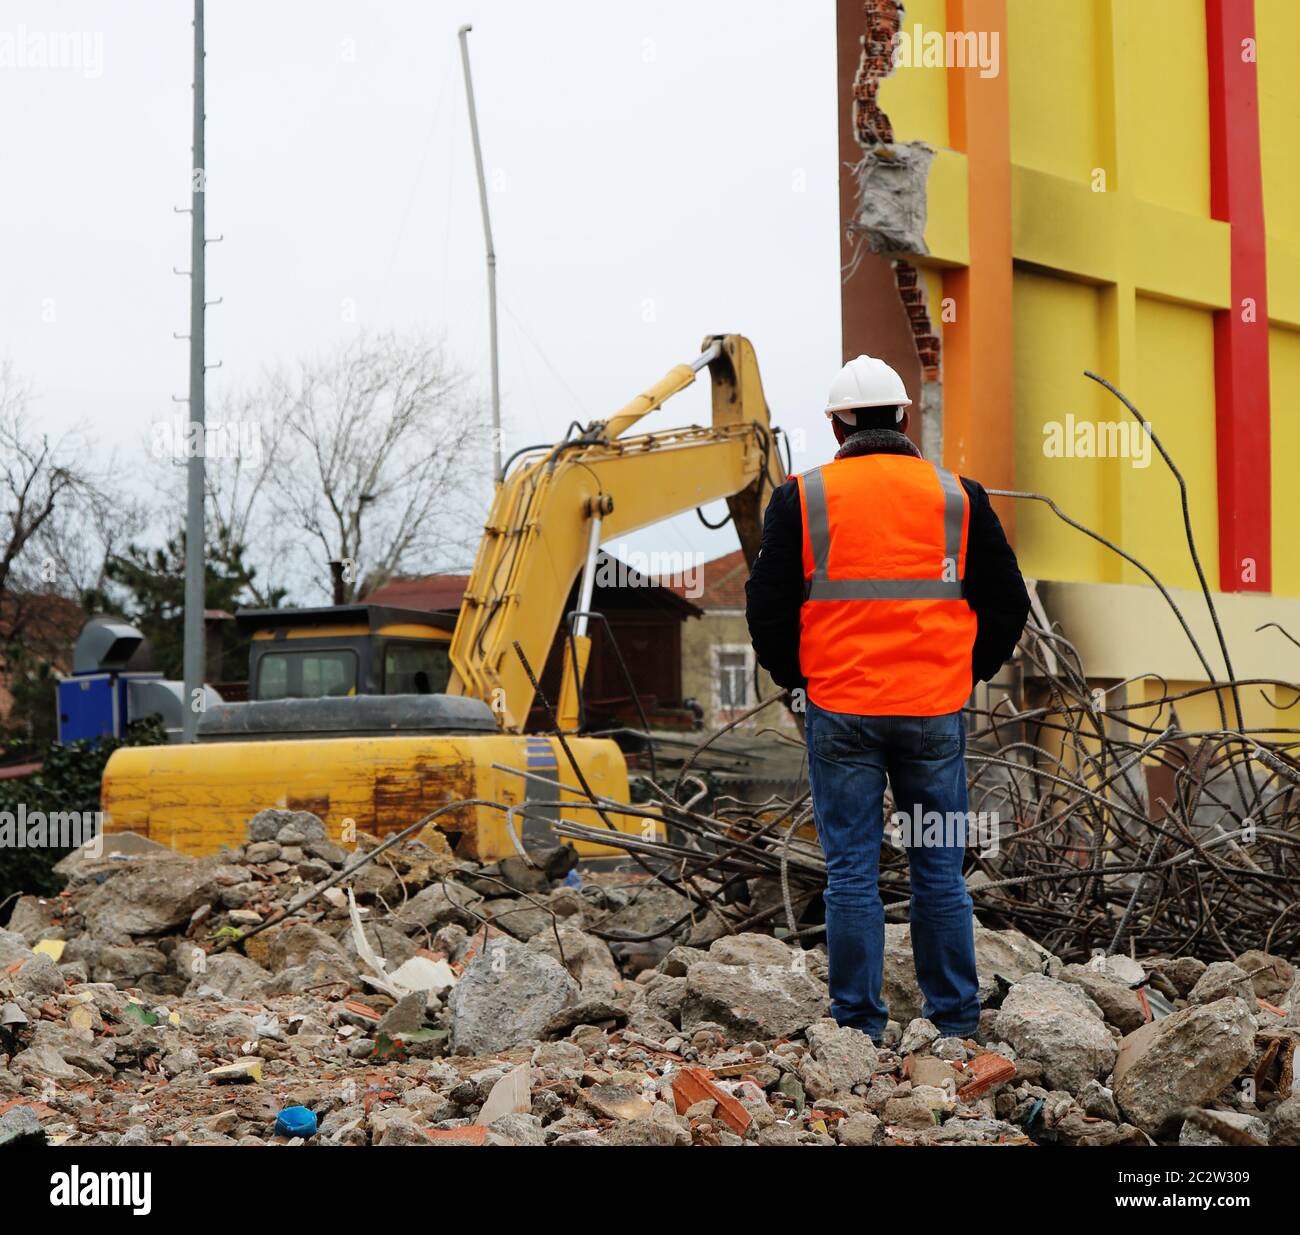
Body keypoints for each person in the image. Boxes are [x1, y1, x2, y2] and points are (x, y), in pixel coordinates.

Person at [745, 355, 1029, 1043]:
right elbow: (1008, 603)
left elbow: (766, 608)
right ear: (905, 417)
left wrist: (801, 677)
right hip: (931, 711)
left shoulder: (803, 498)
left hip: (842, 712)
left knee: (850, 873)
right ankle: (956, 1022)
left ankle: (857, 1028)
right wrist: (962, 672)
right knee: (938, 870)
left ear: (836, 424)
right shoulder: (959, 496)